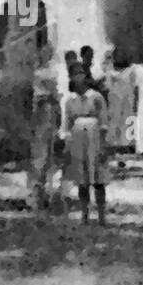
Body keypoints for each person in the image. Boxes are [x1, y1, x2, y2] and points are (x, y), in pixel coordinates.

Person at [61, 66, 109, 225]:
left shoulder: (96, 97)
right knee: (82, 176)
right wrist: (67, 142)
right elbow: (67, 123)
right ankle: (85, 213)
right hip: (78, 136)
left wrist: (103, 144)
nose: (78, 78)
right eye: (74, 75)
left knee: (98, 174)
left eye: (80, 74)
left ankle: (101, 214)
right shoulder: (70, 100)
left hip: (93, 134)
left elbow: (103, 121)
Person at [29, 43, 62, 210]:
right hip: (42, 113)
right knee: (40, 154)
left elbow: (55, 94)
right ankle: (37, 192)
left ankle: (48, 192)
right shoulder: (38, 73)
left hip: (52, 114)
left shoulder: (54, 71)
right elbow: (39, 97)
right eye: (44, 53)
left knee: (51, 153)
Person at [103, 50, 137, 156]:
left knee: (129, 123)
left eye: (121, 55)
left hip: (128, 103)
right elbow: (107, 87)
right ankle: (115, 151)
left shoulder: (131, 70)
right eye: (117, 56)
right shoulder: (109, 71)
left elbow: (135, 87)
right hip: (114, 103)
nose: (119, 57)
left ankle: (130, 150)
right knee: (114, 125)